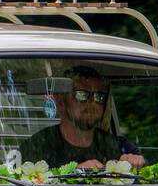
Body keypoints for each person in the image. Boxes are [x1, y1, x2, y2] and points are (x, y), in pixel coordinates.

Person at [16, 65, 145, 170]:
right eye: (82, 95)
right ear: (61, 102)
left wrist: (135, 162)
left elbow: (151, 175)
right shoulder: (37, 146)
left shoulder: (116, 145)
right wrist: (75, 174)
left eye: (99, 97)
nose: (92, 103)